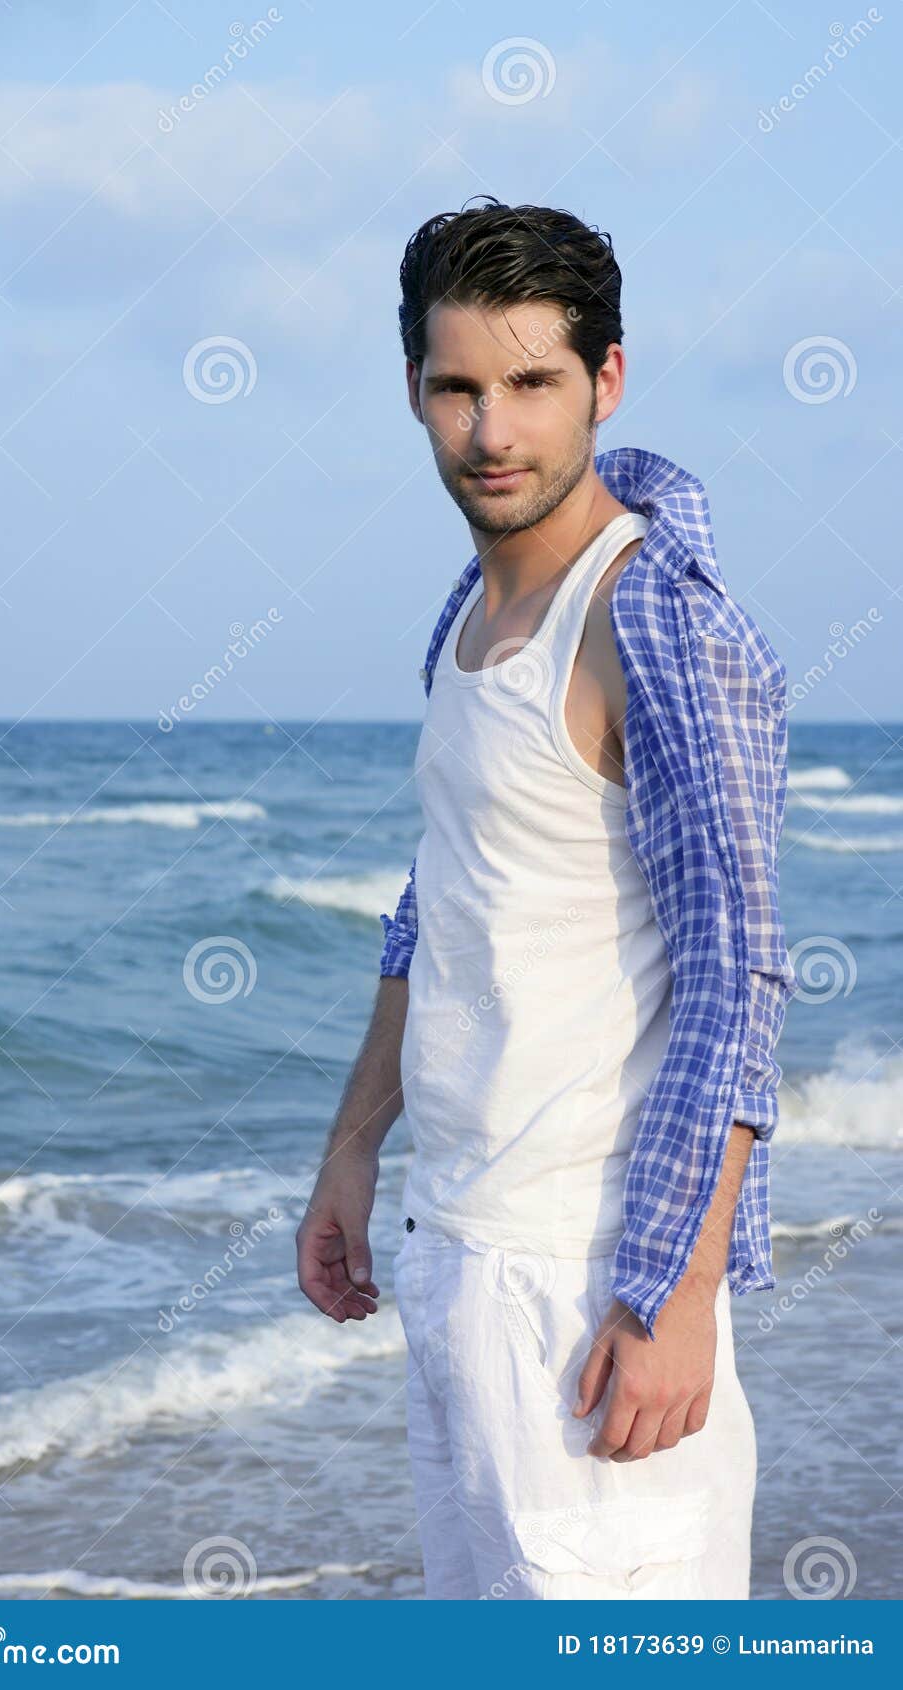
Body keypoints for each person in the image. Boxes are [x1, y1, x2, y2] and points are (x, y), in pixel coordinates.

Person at [296, 198, 796, 1600]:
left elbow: (736, 973)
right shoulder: (466, 612)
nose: (491, 431)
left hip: (590, 1283)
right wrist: (353, 1152)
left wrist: (679, 1296)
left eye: (532, 383)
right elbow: (437, 904)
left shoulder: (656, 622)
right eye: (457, 387)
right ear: (414, 390)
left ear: (607, 381)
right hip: (454, 1255)